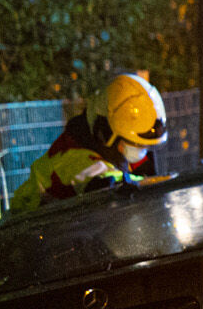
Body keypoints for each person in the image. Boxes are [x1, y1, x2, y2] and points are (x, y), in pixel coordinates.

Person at [10, 73, 167, 212]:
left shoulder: (110, 149)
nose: (141, 150)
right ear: (104, 132)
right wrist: (160, 183)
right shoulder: (74, 157)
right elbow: (107, 184)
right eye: (134, 144)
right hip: (30, 228)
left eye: (144, 145)